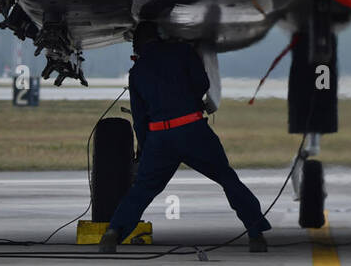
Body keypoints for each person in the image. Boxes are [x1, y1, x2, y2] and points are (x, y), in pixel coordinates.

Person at [99, 23, 271, 253]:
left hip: (160, 137)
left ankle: (113, 233)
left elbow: (140, 119)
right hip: (192, 129)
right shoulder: (181, 52)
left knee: (142, 189)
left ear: (137, 45)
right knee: (227, 178)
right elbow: (202, 83)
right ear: (160, 36)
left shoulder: (137, 71)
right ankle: (255, 232)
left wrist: (145, 150)